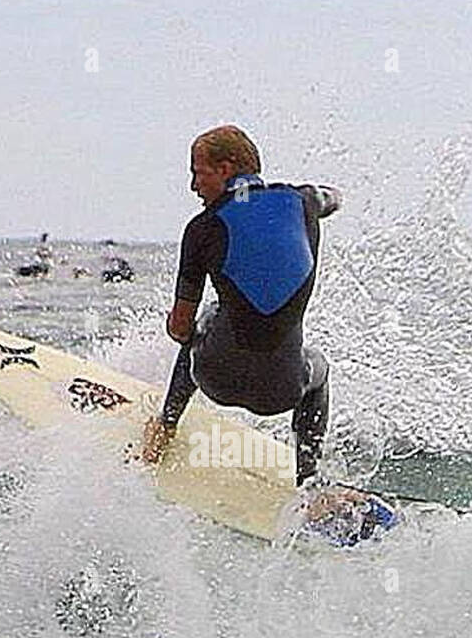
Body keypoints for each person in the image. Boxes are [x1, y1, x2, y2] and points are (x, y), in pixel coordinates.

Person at [141, 125, 341, 485]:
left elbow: (181, 329)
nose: (193, 186)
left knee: (208, 315)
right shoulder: (304, 201)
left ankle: (164, 429)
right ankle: (309, 484)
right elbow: (334, 197)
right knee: (319, 366)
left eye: (198, 173)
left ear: (225, 168)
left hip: (215, 378)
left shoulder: (202, 229)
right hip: (281, 391)